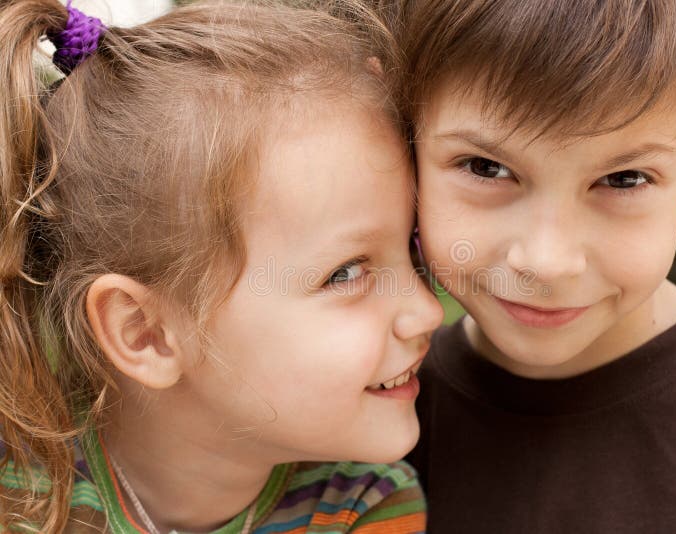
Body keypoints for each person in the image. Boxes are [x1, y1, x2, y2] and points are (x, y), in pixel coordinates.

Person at [0, 0, 443, 532]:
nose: (426, 311)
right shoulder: (15, 494)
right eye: (347, 272)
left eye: (410, 251)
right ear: (147, 332)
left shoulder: (363, 509)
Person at [379, 0, 676, 531]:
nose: (547, 262)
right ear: (403, 133)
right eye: (486, 167)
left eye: (623, 178)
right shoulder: (361, 428)